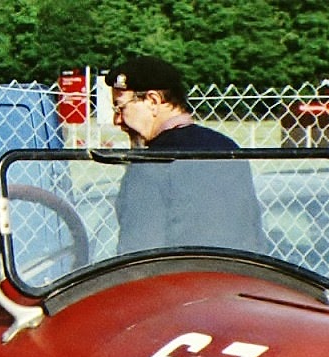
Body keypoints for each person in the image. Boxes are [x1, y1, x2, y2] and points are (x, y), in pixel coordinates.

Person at [105, 55, 263, 254]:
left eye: (120, 107)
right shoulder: (228, 149)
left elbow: (137, 257)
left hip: (177, 282)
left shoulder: (150, 165)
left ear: (153, 101)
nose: (116, 120)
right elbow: (254, 238)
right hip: (239, 281)